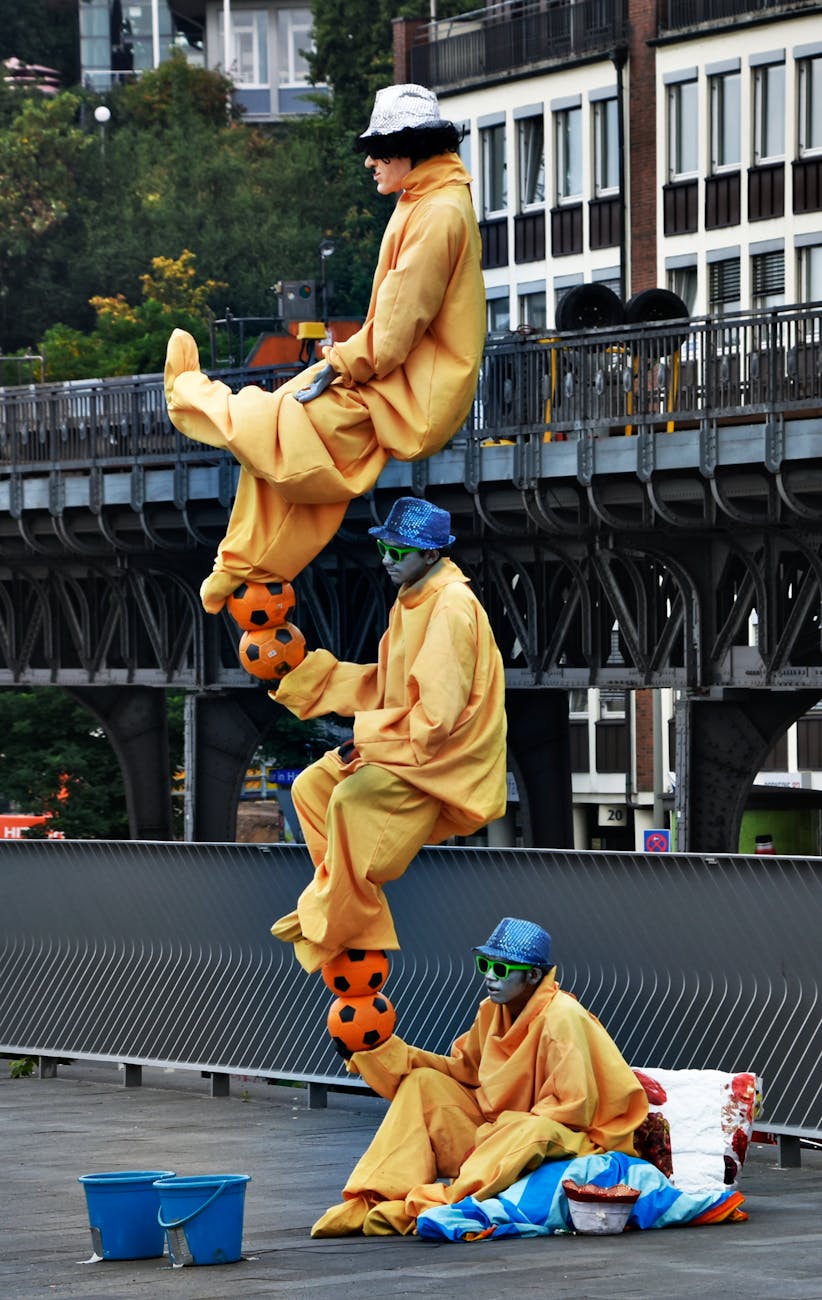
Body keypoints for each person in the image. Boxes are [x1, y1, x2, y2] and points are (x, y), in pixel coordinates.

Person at [164, 83, 485, 614]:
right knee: (293, 472)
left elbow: (393, 333)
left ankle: (188, 396)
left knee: (278, 425)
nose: (370, 164)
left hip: (406, 391)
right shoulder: (427, 202)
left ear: (410, 147)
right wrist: (341, 362)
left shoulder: (438, 213)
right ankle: (238, 568)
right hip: (399, 383)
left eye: (378, 152)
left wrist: (339, 362)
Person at [269, 497, 507, 974]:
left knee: (349, 800)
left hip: (440, 763)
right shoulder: (413, 599)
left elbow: (437, 721)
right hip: (406, 743)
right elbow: (390, 684)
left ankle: (333, 916)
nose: (385, 560)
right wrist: (305, 676)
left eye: (398, 552)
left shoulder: (451, 608)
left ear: (431, 556)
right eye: (384, 547)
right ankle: (340, 905)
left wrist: (373, 742)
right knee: (311, 787)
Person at [311, 917, 649, 1237]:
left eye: (501, 969)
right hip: (497, 1134)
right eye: (484, 965)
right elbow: (464, 1071)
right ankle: (375, 1197)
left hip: (572, 1138)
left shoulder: (562, 1017)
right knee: (423, 1083)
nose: (490, 976)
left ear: (533, 976)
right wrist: (380, 1052)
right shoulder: (491, 1009)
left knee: (533, 1128)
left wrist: (500, 1131)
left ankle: (446, 1201)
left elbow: (574, 1109)